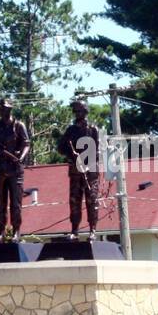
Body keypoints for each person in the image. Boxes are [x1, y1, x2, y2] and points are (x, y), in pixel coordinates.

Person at [0, 97, 30, 241]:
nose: (1, 111)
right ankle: (1, 231)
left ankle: (16, 231)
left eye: (4, 108)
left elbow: (26, 143)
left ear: (10, 109)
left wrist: (21, 156)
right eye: (0, 108)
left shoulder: (18, 126)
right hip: (0, 169)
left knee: (16, 203)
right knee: (0, 203)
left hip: (15, 169)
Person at [57, 98, 100, 239]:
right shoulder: (70, 130)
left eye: (79, 111)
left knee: (91, 200)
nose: (77, 114)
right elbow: (61, 148)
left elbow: (98, 150)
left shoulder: (93, 129)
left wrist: (87, 162)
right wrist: (72, 154)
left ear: (85, 111)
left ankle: (92, 230)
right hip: (75, 171)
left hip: (90, 171)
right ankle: (74, 230)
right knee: (74, 200)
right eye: (75, 111)